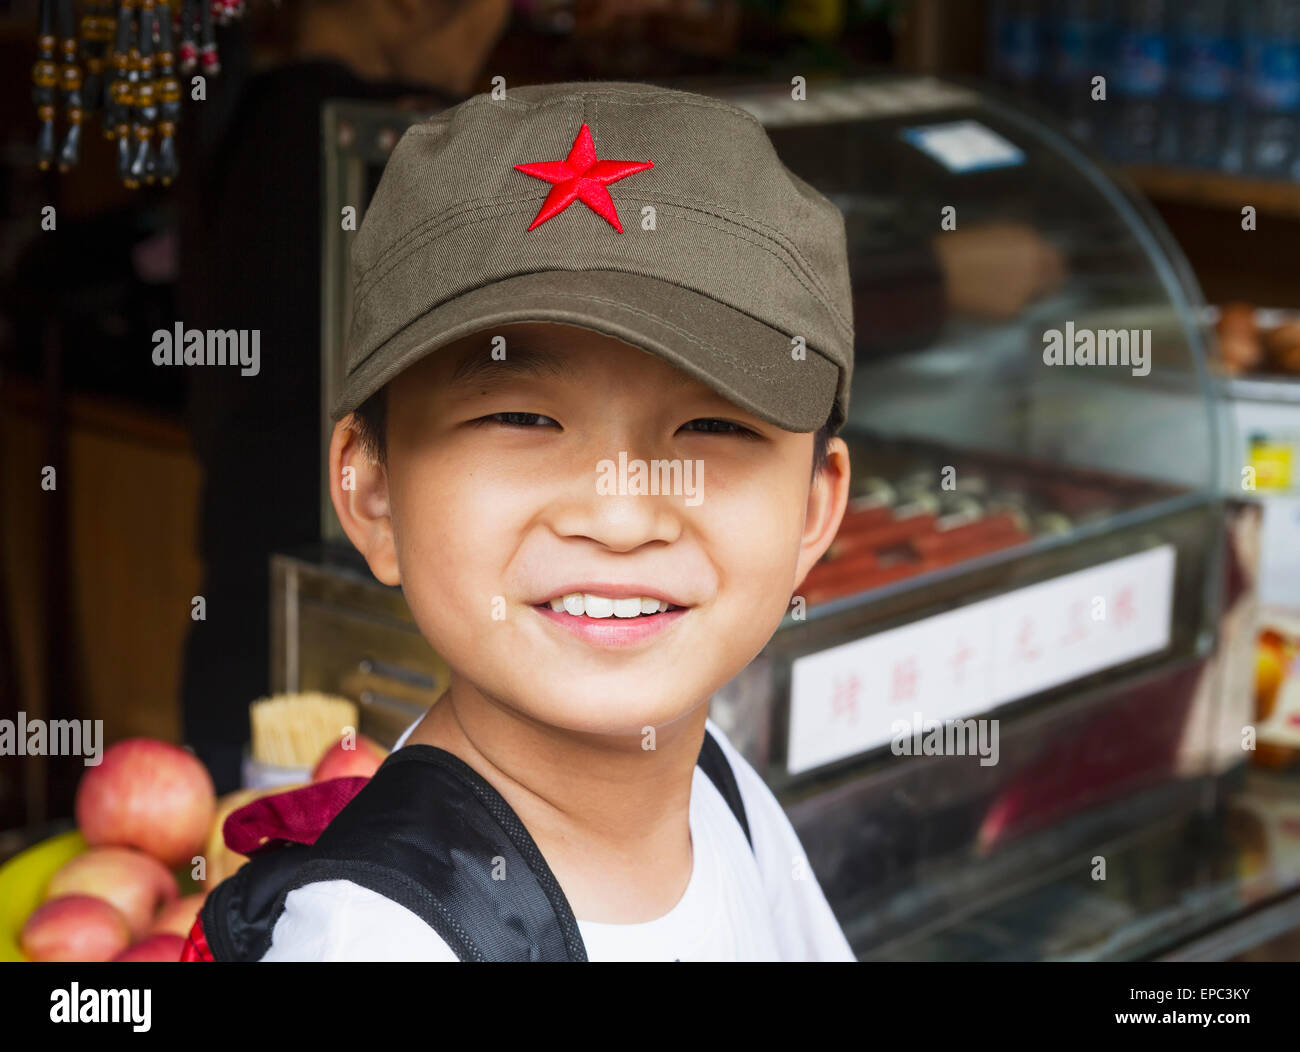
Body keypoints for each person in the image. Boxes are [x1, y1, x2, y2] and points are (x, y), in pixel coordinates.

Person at [190, 80, 858, 961]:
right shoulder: (377, 941)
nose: (620, 515)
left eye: (713, 426)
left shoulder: (718, 789)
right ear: (372, 492)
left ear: (814, 508)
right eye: (523, 419)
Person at [177, 0, 510, 793]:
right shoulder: (344, 134)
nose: (491, 32)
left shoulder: (264, 112)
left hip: (248, 557)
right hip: (306, 591)